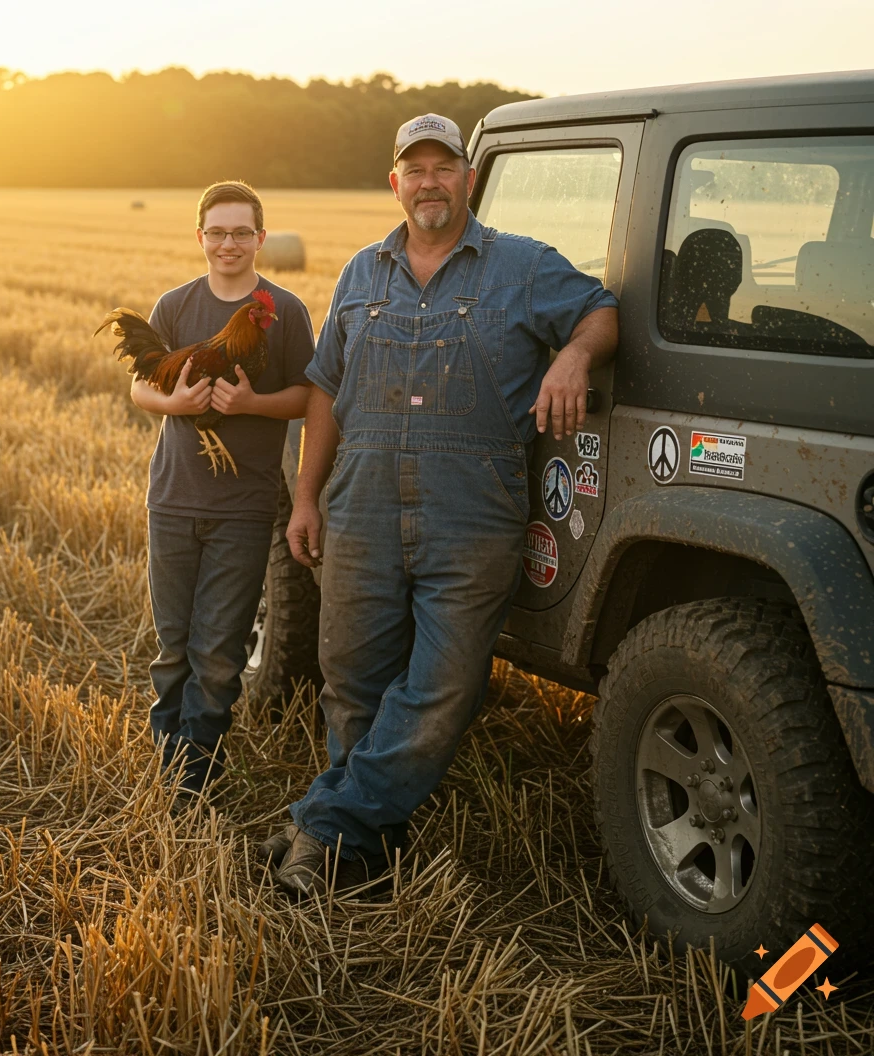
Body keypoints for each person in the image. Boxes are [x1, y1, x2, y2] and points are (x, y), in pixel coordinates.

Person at [260, 115, 618, 891]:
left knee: (443, 690)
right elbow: (325, 387)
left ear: (468, 177)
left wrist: (574, 355)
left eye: (443, 166)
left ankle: (321, 826)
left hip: (472, 515)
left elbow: (601, 309)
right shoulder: (361, 272)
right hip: (360, 506)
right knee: (350, 680)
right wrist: (305, 498)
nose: (429, 181)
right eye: (413, 168)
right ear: (396, 183)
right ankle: (355, 853)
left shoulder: (523, 266)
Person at [131, 181, 314, 800]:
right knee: (173, 650)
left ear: (262, 239)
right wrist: (175, 402)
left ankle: (194, 781)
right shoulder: (175, 305)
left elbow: (307, 397)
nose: (228, 242)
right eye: (217, 232)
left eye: (241, 232)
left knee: (219, 656)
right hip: (173, 501)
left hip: (243, 509)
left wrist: (254, 404)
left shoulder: (284, 310)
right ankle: (168, 775)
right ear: (201, 237)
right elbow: (140, 389)